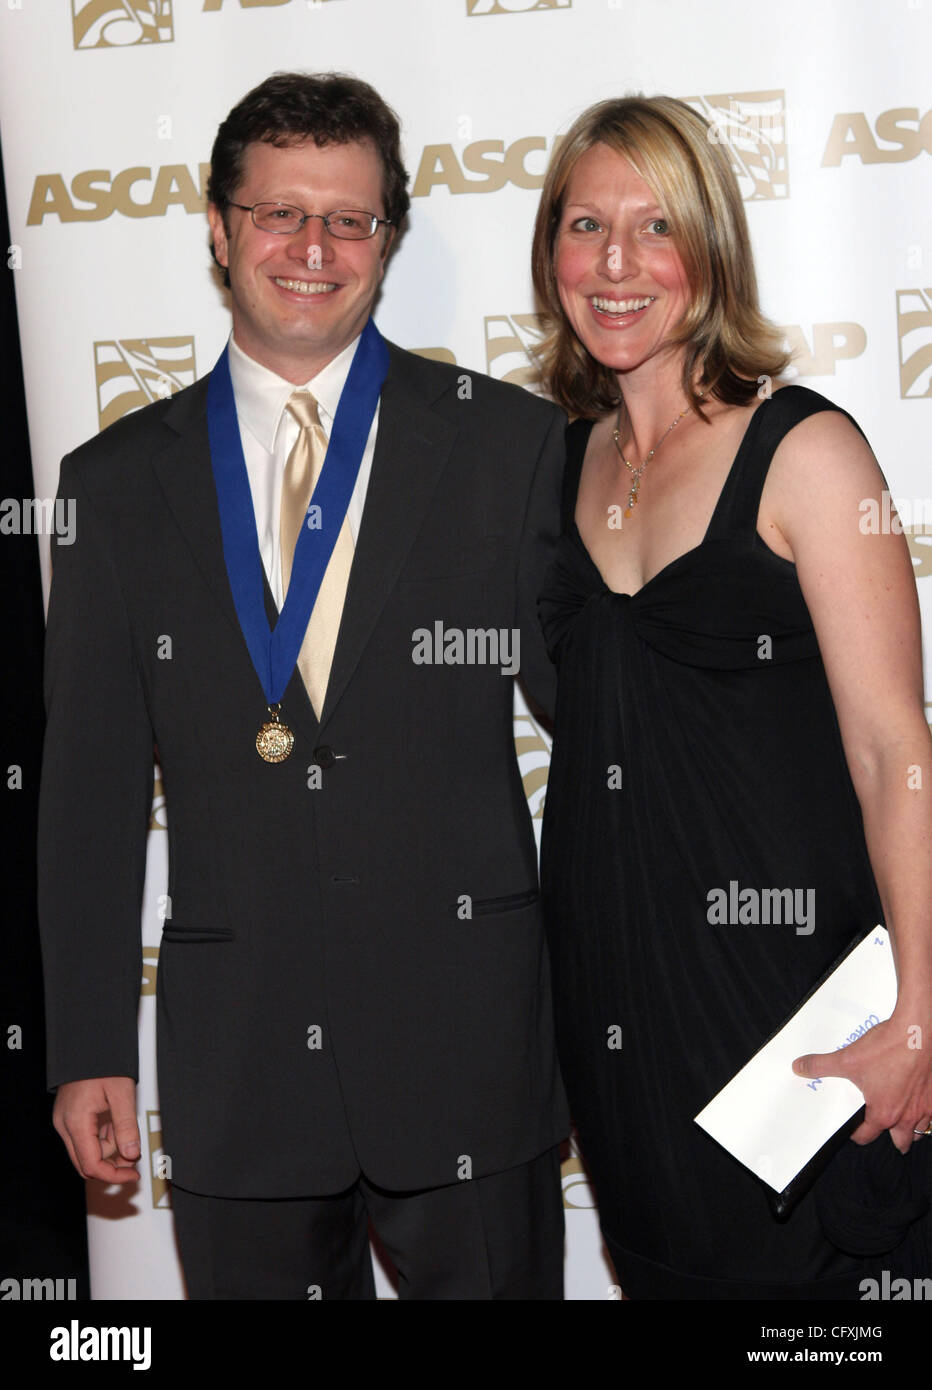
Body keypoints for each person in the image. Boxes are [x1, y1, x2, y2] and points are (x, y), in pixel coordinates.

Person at [38, 71, 569, 1301]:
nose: (314, 249)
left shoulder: (506, 444)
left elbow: (603, 731)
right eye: (280, 213)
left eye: (350, 219)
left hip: (469, 1050)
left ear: (387, 239)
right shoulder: (113, 484)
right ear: (218, 229)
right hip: (239, 1064)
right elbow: (90, 797)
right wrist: (86, 1048)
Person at [532, 95, 932, 1299]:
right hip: (615, 1008)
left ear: (708, 250)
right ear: (548, 251)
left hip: (793, 1001)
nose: (615, 263)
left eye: (655, 226)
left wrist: (920, 1016)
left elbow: (889, 751)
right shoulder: (554, 466)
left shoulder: (802, 449)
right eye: (584, 224)